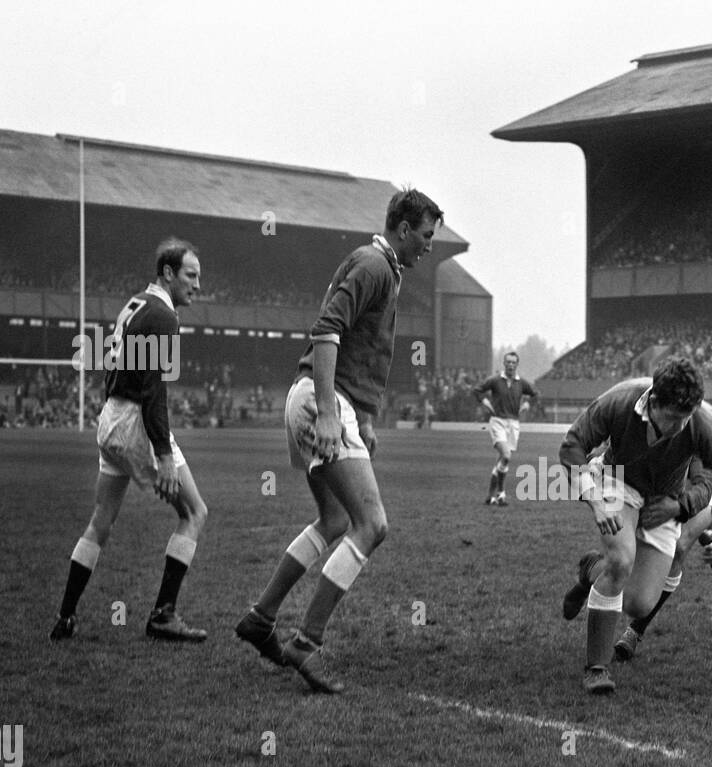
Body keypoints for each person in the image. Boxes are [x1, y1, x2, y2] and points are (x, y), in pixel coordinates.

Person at [235, 189, 443, 694]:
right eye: (426, 236)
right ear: (402, 229)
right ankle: (307, 644)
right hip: (319, 401)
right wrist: (331, 412)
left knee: (333, 520)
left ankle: (261, 617)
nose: (429, 247)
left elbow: (360, 350)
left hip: (322, 398)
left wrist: (364, 417)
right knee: (372, 524)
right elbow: (327, 331)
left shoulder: (383, 268)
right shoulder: (375, 264)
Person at [49, 238, 208, 643]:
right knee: (194, 513)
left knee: (100, 521)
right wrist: (164, 456)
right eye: (191, 275)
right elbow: (155, 391)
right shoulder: (164, 317)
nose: (197, 285)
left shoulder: (135, 303)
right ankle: (162, 615)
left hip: (110, 419)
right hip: (137, 420)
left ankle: (65, 617)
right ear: (168, 273)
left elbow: (115, 367)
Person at [558, 357, 712, 694]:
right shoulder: (619, 400)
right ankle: (597, 668)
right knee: (622, 560)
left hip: (664, 499)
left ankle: (591, 570)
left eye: (684, 419)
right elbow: (572, 445)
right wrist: (595, 499)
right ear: (653, 402)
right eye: (672, 418)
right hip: (618, 480)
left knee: (639, 604)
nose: (678, 428)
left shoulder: (701, 422)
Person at [611, 452, 712, 662]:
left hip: (711, 478)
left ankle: (634, 631)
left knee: (678, 546)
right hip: (674, 476)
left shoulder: (697, 430)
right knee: (706, 538)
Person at [473, 351, 538, 506]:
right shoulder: (495, 380)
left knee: (502, 460)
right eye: (508, 362)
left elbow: (536, 394)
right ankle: (501, 492)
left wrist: (528, 403)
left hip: (513, 424)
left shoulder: (521, 383)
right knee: (506, 455)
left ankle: (491, 497)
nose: (510, 365)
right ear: (504, 363)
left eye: (513, 362)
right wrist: (484, 402)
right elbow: (477, 390)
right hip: (498, 422)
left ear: (517, 364)